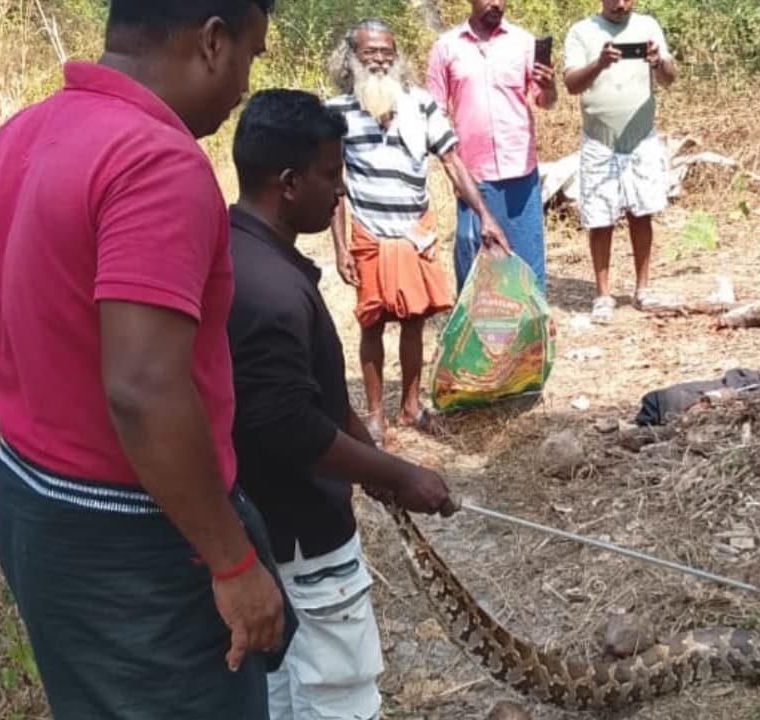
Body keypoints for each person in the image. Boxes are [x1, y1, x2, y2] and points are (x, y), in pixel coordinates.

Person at [0, 2, 285, 718]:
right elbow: (143, 388)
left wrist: (37, 428)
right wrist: (233, 561)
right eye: (251, 55)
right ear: (213, 41)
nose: (246, 85)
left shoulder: (16, 136)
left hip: (32, 500)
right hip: (138, 537)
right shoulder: (156, 161)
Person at [225, 88, 458, 720]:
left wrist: (369, 458)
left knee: (282, 696)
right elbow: (291, 426)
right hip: (305, 539)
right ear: (289, 183)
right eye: (332, 175)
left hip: (268, 529)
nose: (341, 190)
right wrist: (400, 474)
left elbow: (316, 398)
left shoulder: (240, 250)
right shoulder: (269, 290)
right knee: (338, 698)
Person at [326, 19, 510, 437]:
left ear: (397, 57)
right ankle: (375, 414)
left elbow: (453, 162)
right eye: (369, 52)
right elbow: (334, 183)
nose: (378, 60)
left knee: (414, 321)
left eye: (386, 52)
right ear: (352, 57)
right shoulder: (336, 113)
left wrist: (485, 215)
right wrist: (340, 247)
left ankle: (410, 407)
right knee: (371, 323)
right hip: (369, 233)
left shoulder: (421, 105)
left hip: (415, 232)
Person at [427, 0, 558, 294]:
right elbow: (434, 114)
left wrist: (549, 87)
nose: (496, 3)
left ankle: (529, 324)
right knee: (478, 272)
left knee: (526, 267)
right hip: (473, 177)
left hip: (520, 174)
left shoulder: (523, 43)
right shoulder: (446, 47)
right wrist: (452, 169)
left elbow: (545, 101)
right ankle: (478, 325)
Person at [563, 0, 676, 323]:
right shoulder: (581, 32)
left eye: (627, 0)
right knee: (600, 217)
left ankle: (643, 288)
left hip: (641, 137)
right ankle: (602, 294)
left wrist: (658, 62)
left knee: (642, 212)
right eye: (615, 0)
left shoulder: (647, 26)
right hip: (599, 140)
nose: (621, 5)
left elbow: (669, 79)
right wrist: (599, 64)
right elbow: (571, 85)